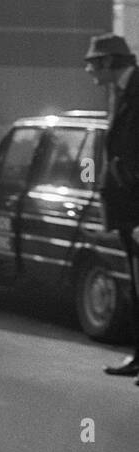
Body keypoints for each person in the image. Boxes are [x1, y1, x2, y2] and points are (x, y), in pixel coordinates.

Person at [82, 35, 139, 378]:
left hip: (136, 204)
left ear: (107, 63)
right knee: (134, 283)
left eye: (92, 63)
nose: (89, 69)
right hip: (126, 205)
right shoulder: (119, 90)